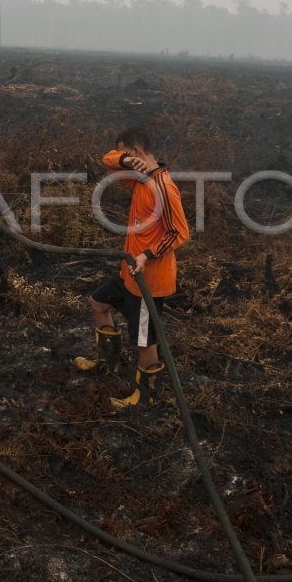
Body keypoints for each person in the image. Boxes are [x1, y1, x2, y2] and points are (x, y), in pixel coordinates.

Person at [74, 126, 189, 409]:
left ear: (137, 149)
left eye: (127, 151)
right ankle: (108, 362)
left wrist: (147, 254)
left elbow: (179, 232)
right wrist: (126, 161)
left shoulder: (164, 187)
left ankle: (145, 396)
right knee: (98, 302)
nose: (122, 157)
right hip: (129, 274)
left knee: (144, 339)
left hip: (148, 280)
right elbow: (107, 160)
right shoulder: (140, 180)